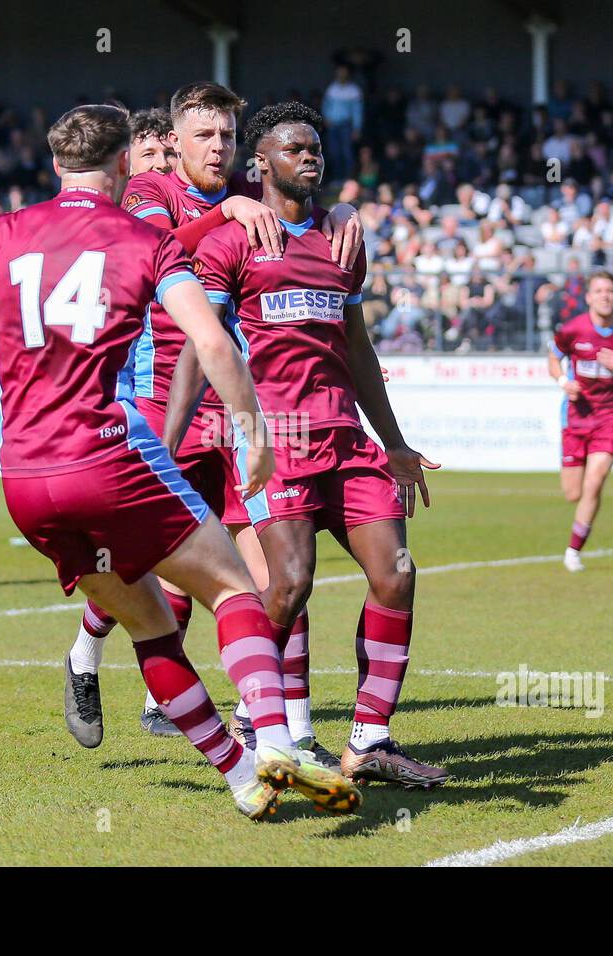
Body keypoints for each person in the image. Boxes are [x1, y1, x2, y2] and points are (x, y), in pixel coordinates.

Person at [0, 103, 359, 821]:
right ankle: (276, 738)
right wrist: (254, 432)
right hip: (108, 457)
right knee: (237, 591)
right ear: (127, 163)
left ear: (56, 165)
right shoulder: (144, 241)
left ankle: (241, 776)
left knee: (152, 624)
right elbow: (214, 345)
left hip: (26, 480)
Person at [63, 81, 361, 751]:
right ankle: (85, 654)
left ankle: (294, 728)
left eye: (228, 135)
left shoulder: (253, 202)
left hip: (233, 411)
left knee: (280, 572)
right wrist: (224, 210)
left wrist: (338, 212)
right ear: (174, 143)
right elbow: (149, 256)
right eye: (204, 135)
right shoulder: (152, 193)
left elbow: (300, 215)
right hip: (157, 406)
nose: (219, 147)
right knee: (140, 567)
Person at [172, 102, 448, 788]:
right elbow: (195, 345)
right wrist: (168, 444)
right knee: (290, 583)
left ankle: (369, 740)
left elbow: (359, 351)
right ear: (261, 162)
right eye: (295, 148)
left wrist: (397, 443)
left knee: (397, 573)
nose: (311, 158)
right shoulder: (232, 242)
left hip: (347, 438)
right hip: (276, 437)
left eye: (316, 148)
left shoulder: (341, 241)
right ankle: (251, 717)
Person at [547, 271, 613, 572]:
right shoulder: (572, 330)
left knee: (594, 482)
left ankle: (573, 551)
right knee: (574, 493)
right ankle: (579, 530)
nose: (605, 295)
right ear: (589, 297)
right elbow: (553, 357)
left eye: (610, 290)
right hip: (577, 414)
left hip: (611, 416)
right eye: (599, 290)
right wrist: (562, 381)